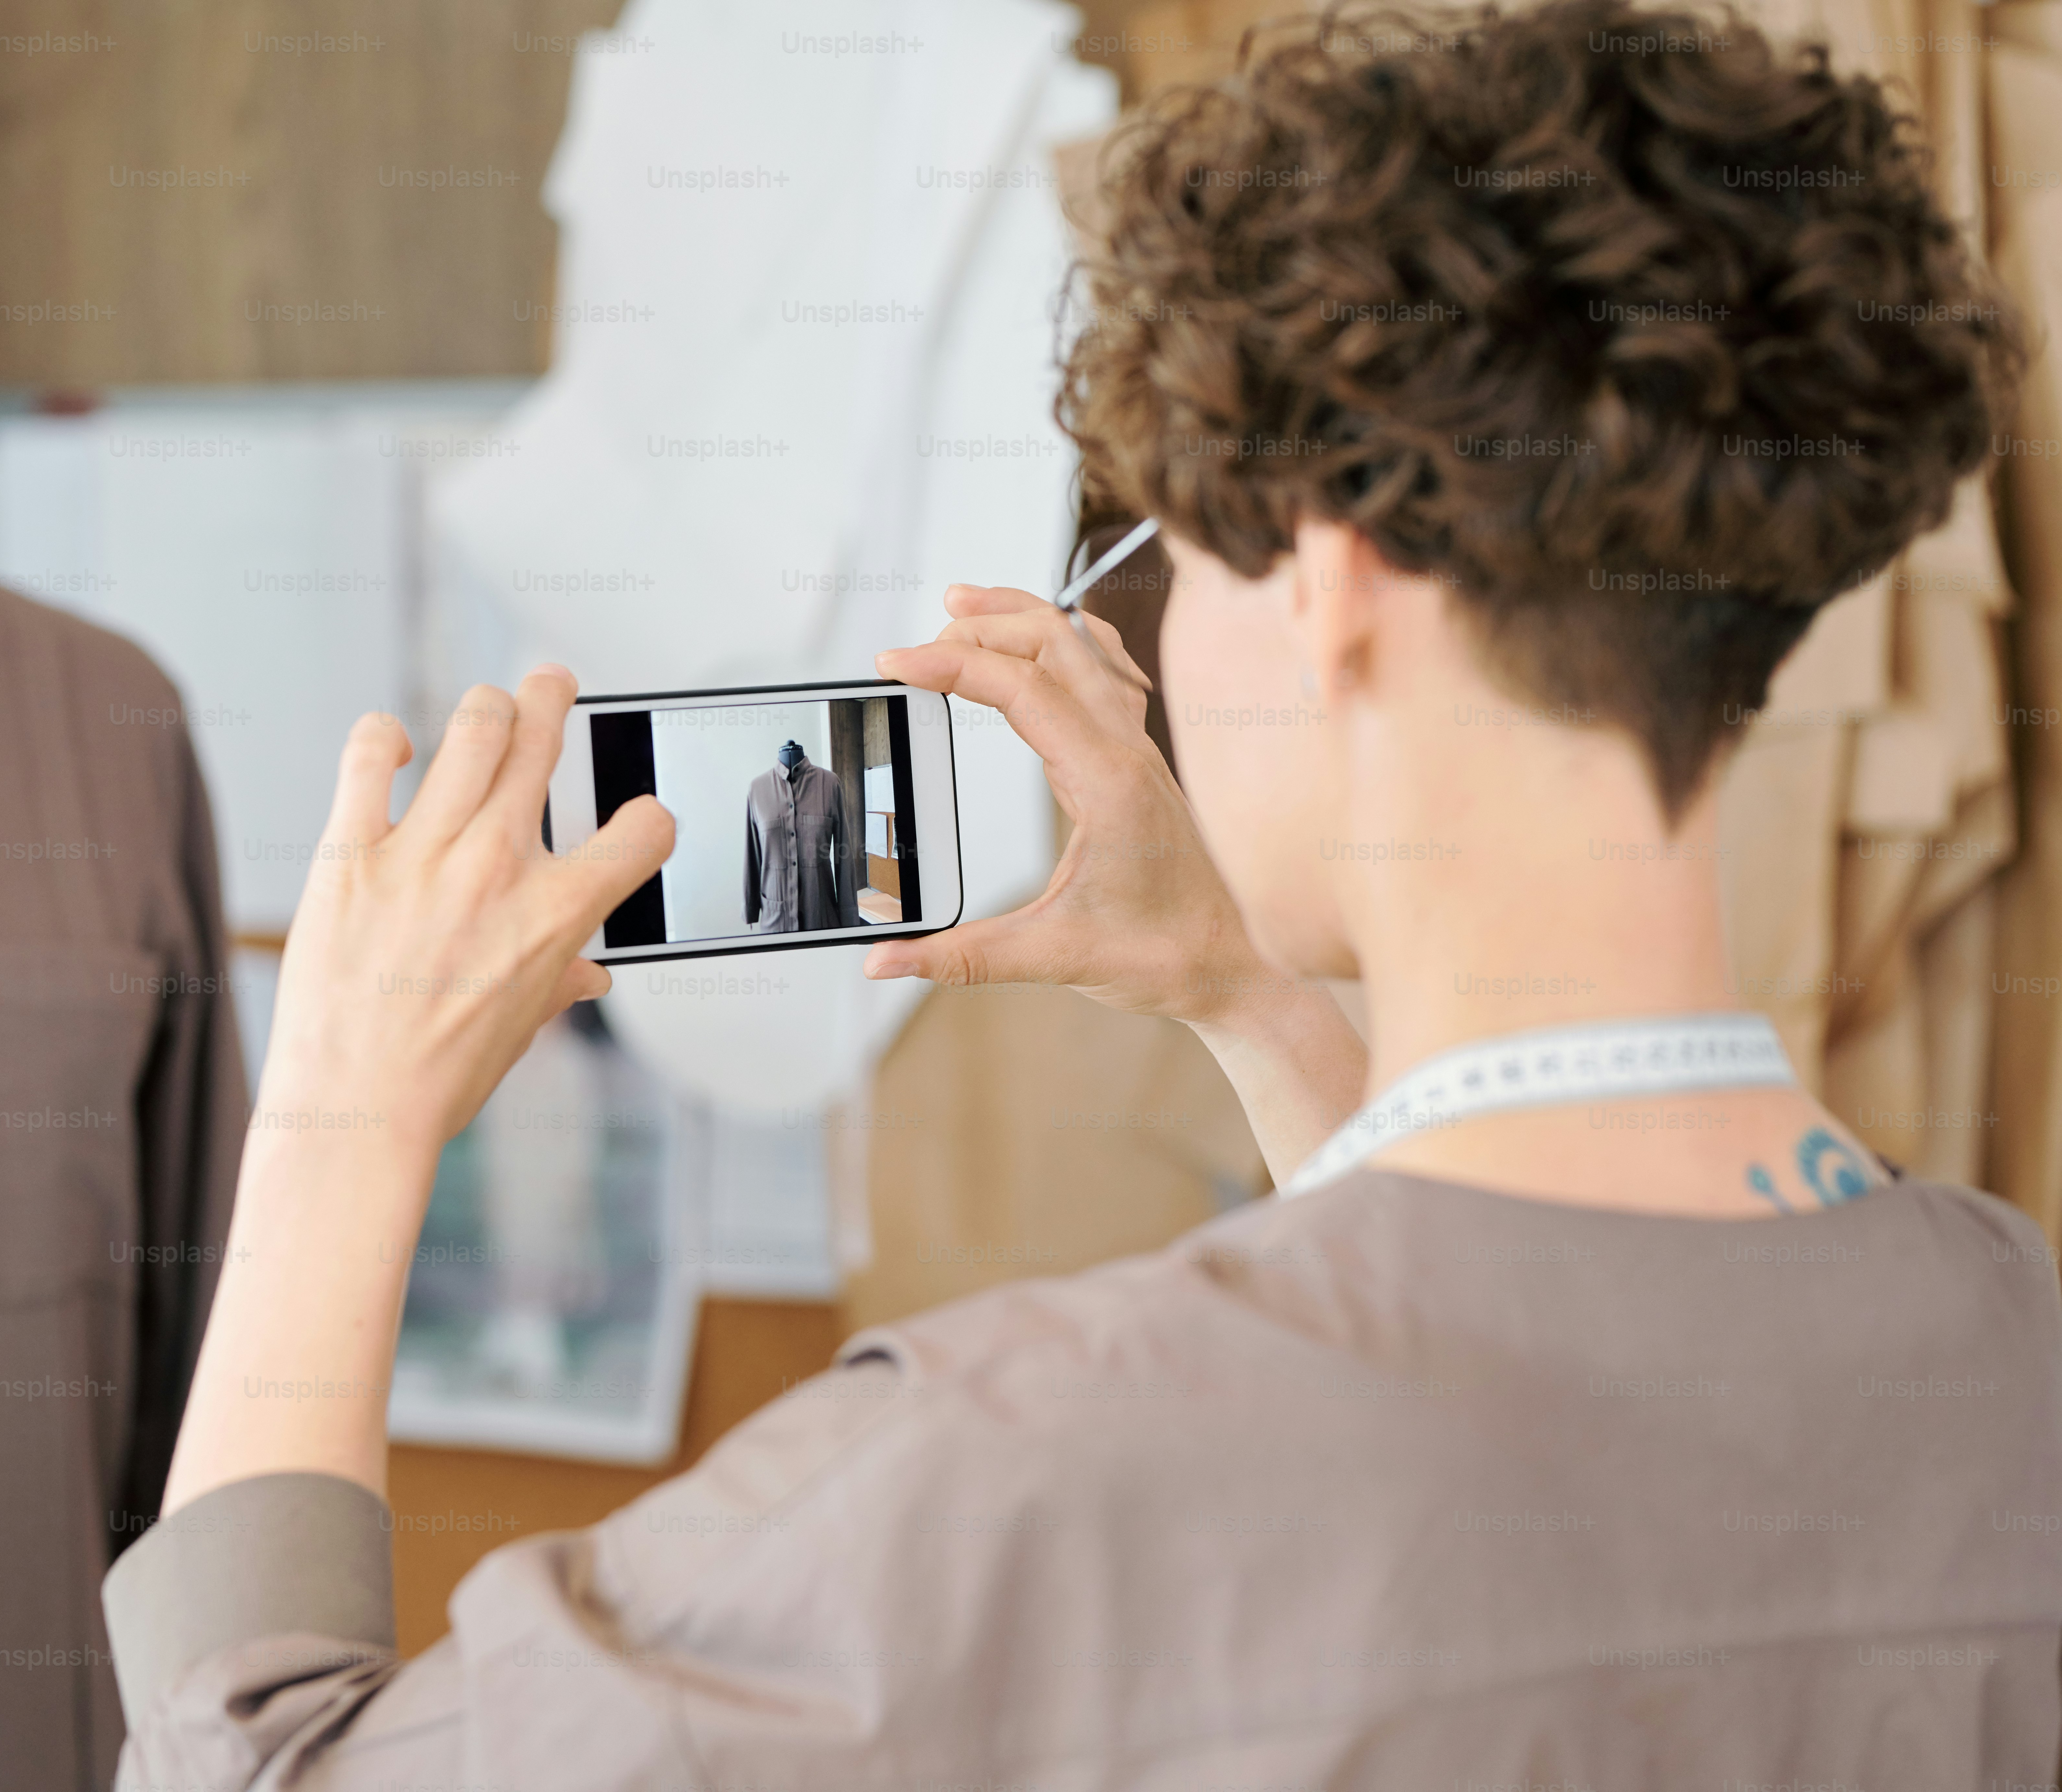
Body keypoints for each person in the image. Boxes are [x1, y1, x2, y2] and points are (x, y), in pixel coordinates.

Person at [101, 2, 2062, 1785]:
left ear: (1334, 579)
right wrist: (1267, 1014)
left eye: (1177, 557)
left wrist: (342, 1135)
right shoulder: (2008, 1337)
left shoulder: (1002, 1476)